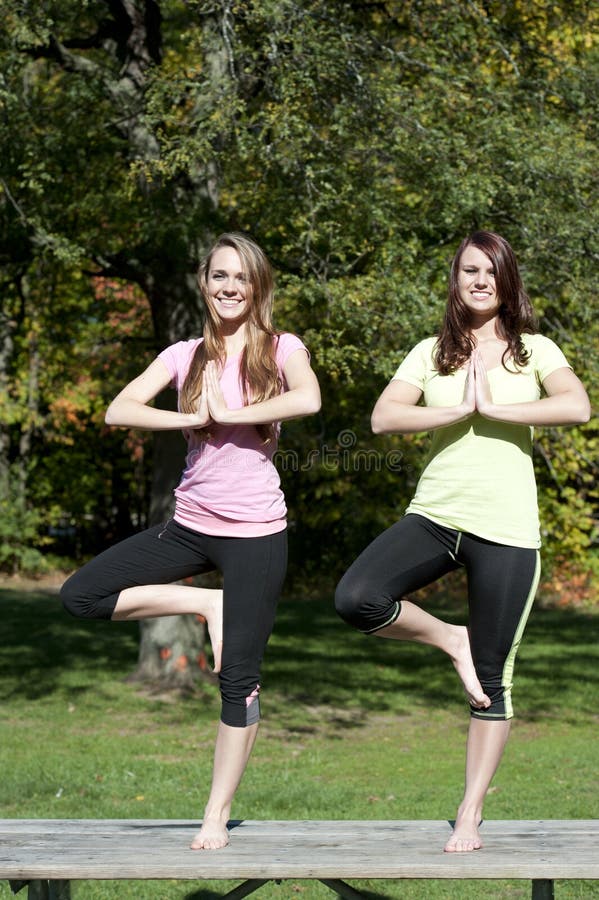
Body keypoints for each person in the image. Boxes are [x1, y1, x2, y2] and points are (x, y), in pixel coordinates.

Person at [61, 232, 321, 850]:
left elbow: (310, 397)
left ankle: (216, 813)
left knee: (240, 679)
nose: (229, 287)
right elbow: (118, 410)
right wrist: (188, 418)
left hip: (256, 534)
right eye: (218, 276)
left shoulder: (281, 348)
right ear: (204, 283)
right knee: (81, 596)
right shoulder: (183, 355)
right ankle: (207, 604)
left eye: (241, 277)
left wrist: (228, 415)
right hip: (189, 525)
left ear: (257, 286)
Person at [334, 231, 590, 853]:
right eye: (469, 270)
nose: (480, 280)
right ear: (455, 278)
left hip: (506, 530)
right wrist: (454, 412)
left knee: (492, 681)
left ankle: (470, 813)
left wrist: (495, 408)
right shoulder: (431, 353)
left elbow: (577, 406)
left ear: (508, 280)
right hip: (436, 514)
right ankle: (452, 638)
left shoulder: (535, 351)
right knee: (356, 597)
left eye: (491, 270)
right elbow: (383, 417)